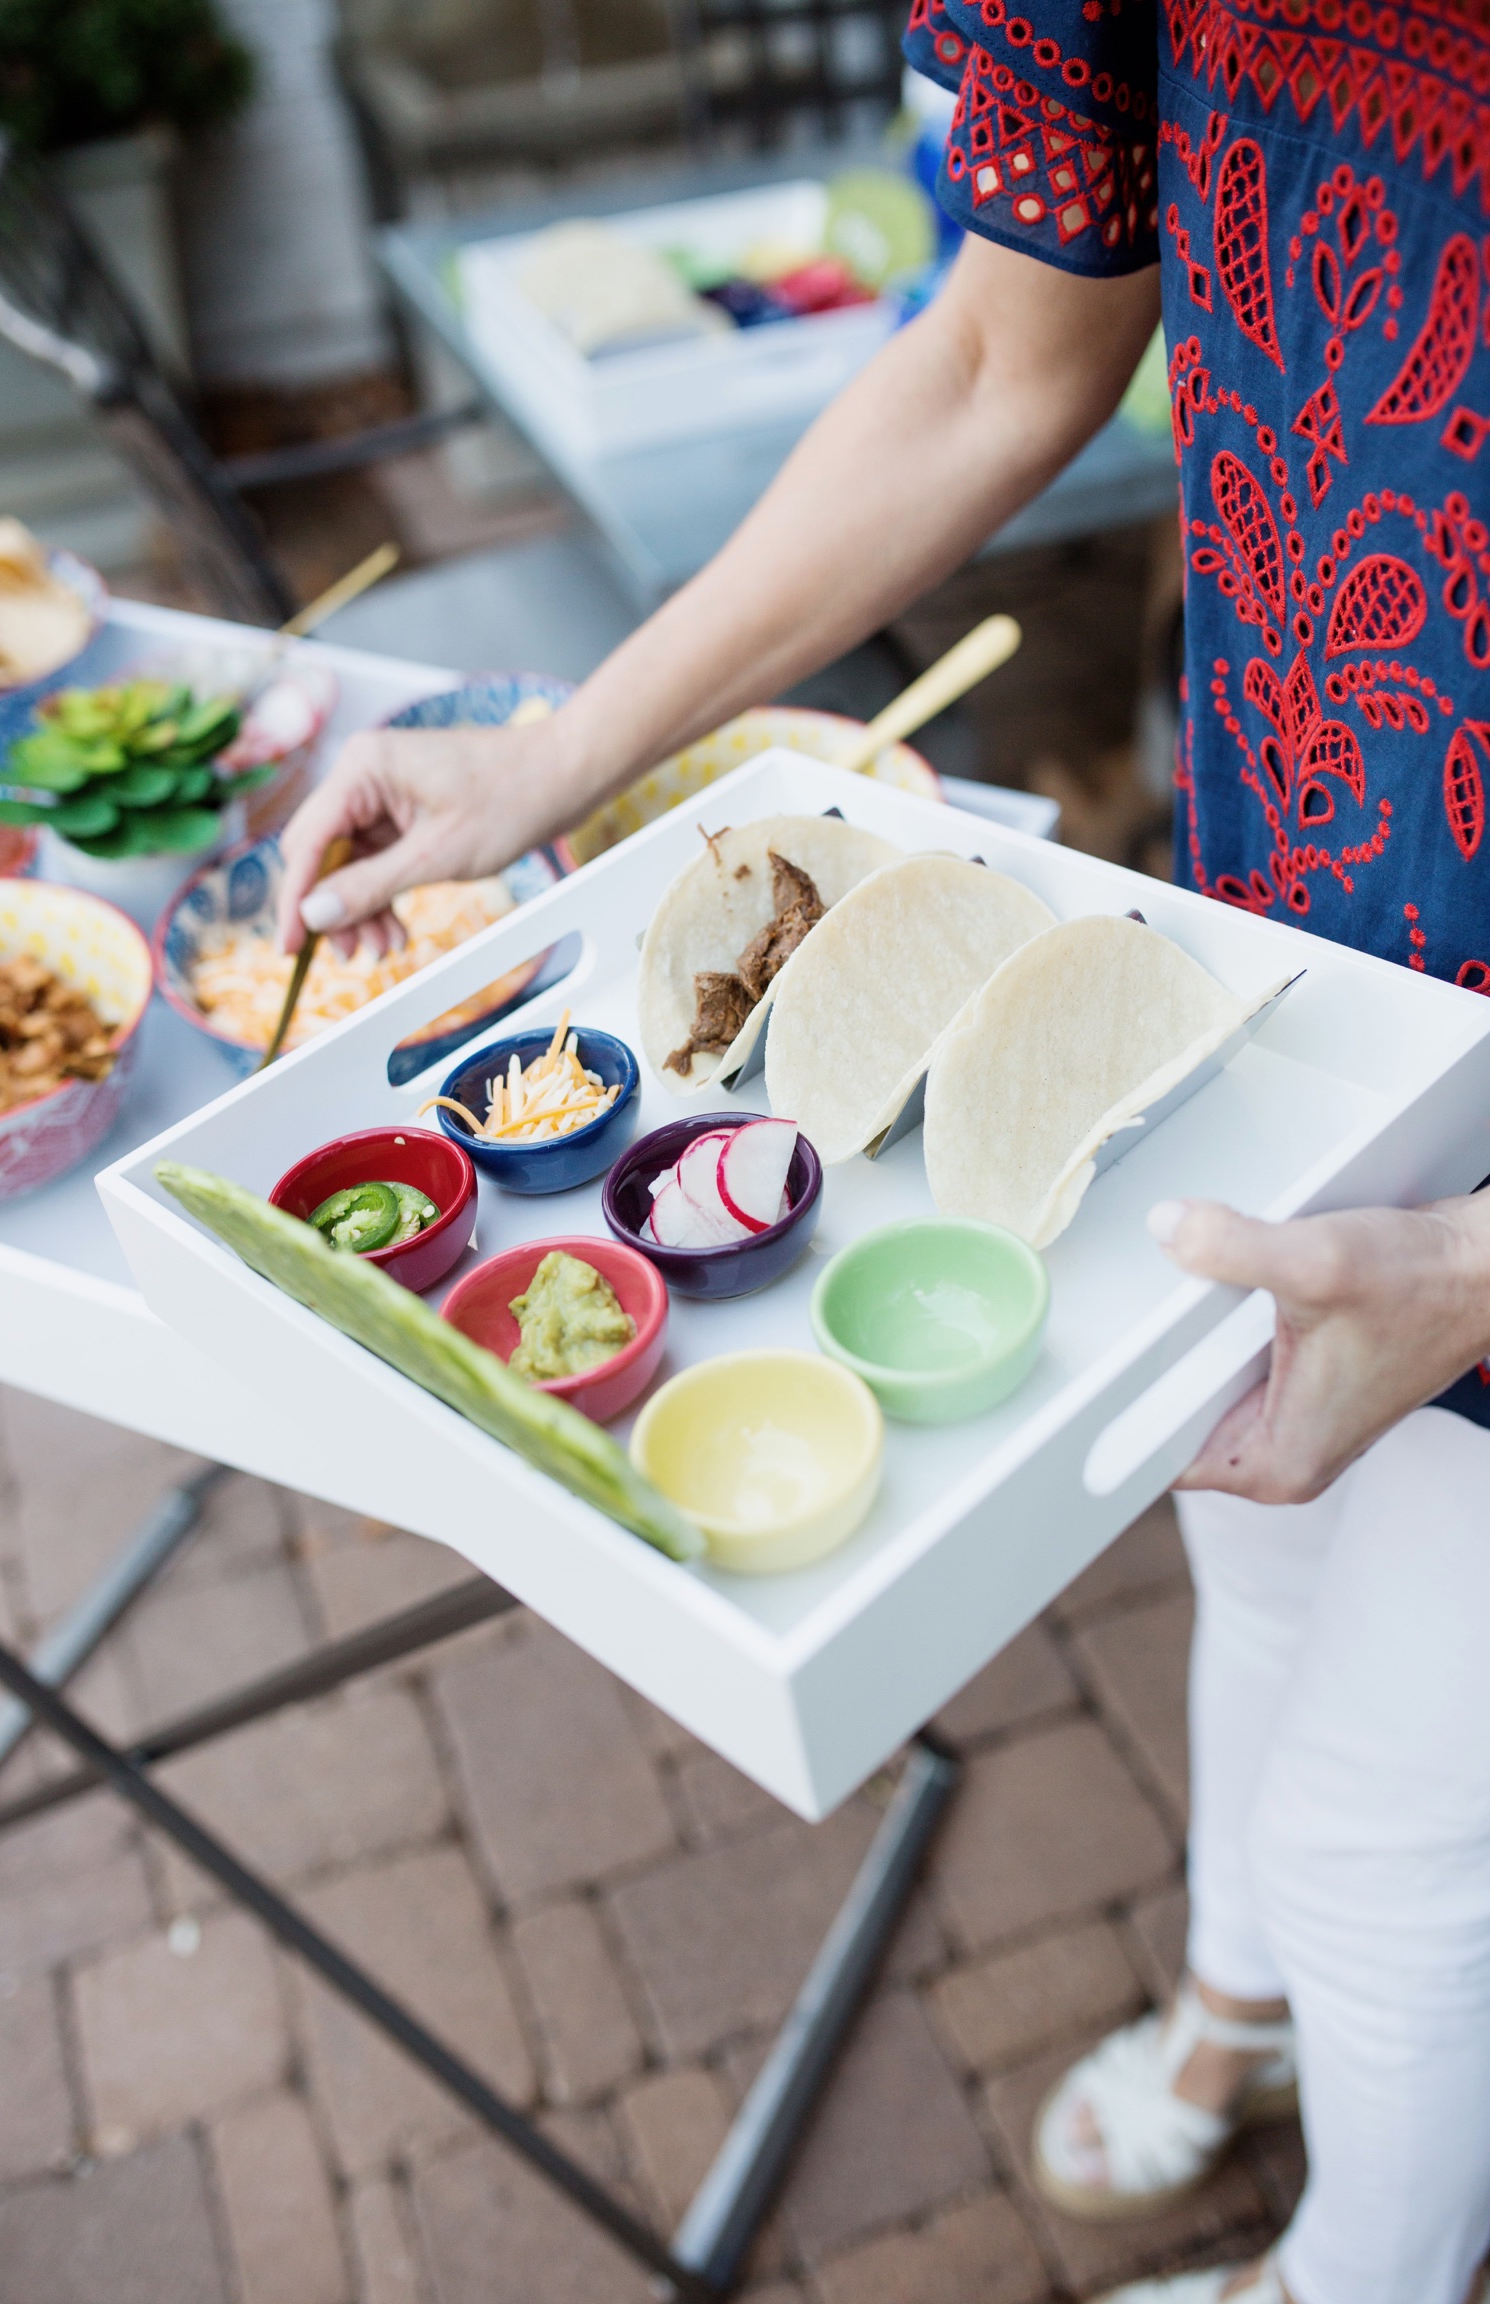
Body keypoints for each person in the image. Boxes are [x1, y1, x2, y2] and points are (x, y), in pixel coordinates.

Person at [278, 0, 1490, 2293]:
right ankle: (1243, 2009)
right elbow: (991, 361)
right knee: (1254, 1560)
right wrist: (561, 758)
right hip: (1275, 955)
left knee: (1396, 1843)